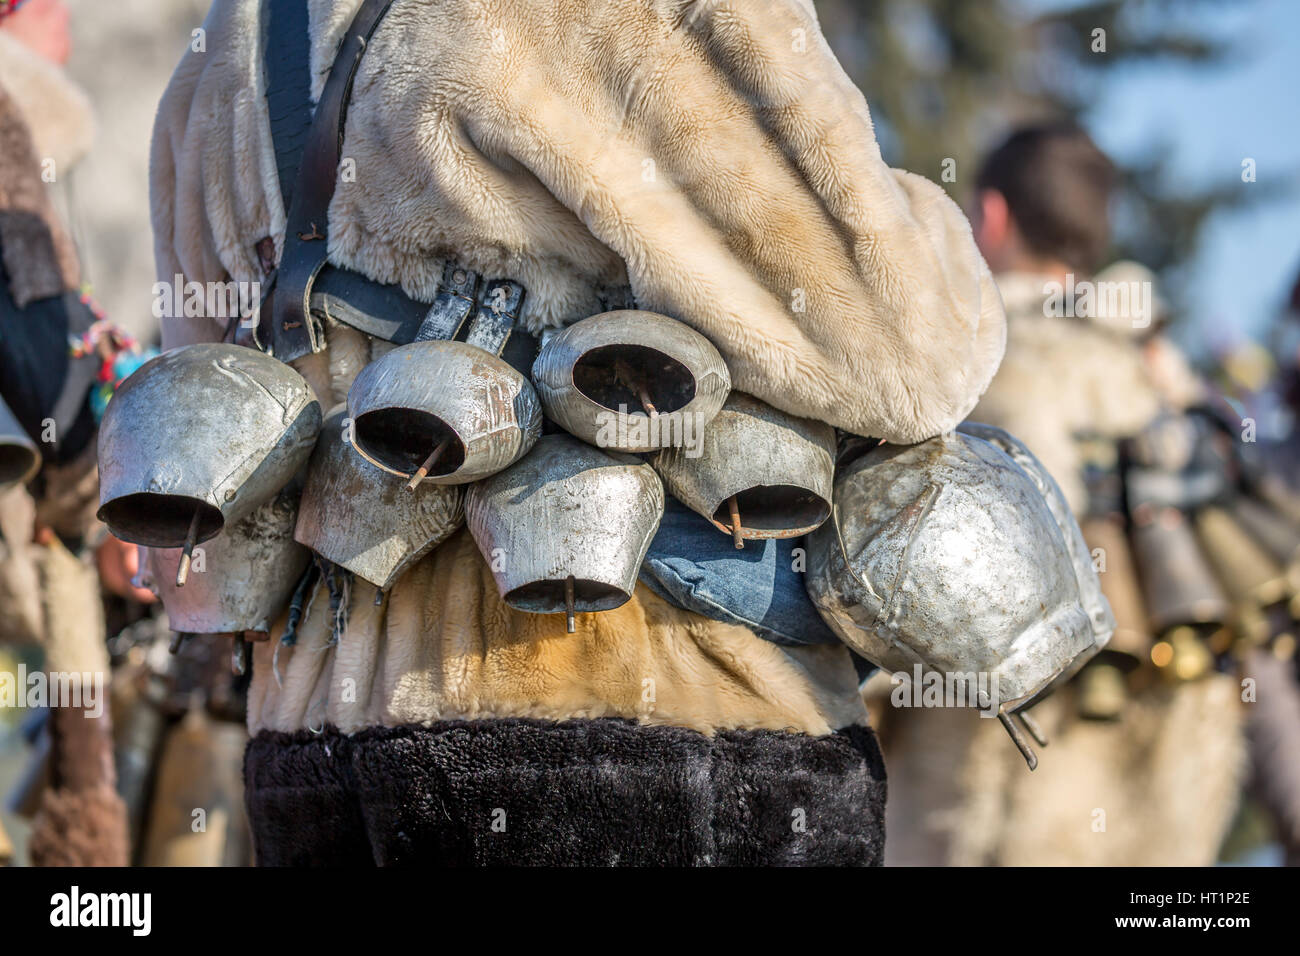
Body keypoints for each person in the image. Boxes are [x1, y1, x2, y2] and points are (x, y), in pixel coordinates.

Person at [145, 0, 1015, 865]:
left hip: (311, 755)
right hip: (647, 734)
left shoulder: (236, 36)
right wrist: (917, 218)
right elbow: (906, 355)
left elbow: (213, 399)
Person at [875, 122, 1247, 866]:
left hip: (985, 806)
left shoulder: (970, 375)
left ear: (993, 217)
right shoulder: (1159, 384)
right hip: (1153, 823)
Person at [0, 0, 135, 866]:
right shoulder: (13, 120)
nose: (70, 31)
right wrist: (104, 509)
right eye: (56, 6)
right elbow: (48, 358)